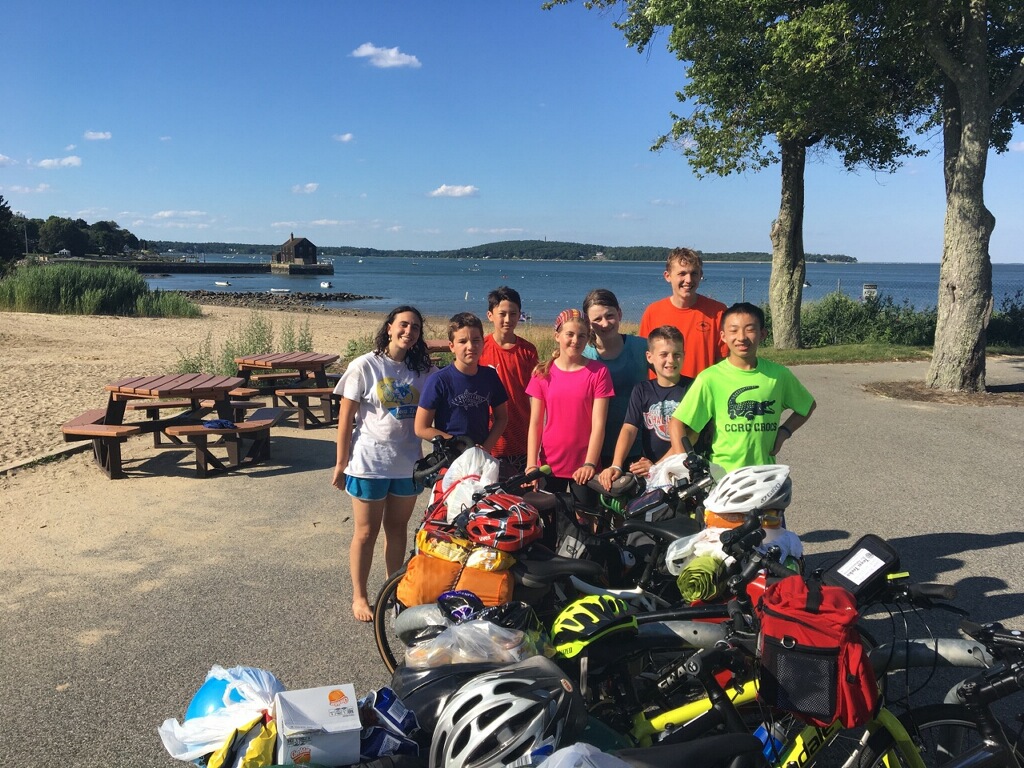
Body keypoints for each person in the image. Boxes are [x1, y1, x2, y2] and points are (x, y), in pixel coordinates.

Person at [331, 305, 434, 622]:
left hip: (407, 464)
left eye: (415, 328)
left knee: (397, 530)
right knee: (365, 533)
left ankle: (395, 590)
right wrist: (341, 463)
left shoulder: (422, 371)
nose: (408, 331)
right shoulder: (364, 366)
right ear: (389, 327)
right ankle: (359, 596)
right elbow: (346, 418)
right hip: (369, 464)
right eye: (403, 325)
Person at [669, 302, 815, 473]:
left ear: (763, 334)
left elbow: (807, 405)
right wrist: (685, 465)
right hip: (723, 476)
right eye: (734, 330)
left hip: (764, 474)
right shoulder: (710, 378)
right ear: (723, 336)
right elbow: (677, 423)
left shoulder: (778, 375)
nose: (742, 337)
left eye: (750, 329)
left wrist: (784, 432)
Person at [526, 309, 614, 494]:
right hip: (549, 465)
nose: (576, 340)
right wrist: (531, 465)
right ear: (557, 336)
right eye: (570, 334)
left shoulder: (599, 372)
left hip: (584, 465)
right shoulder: (542, 373)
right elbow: (535, 424)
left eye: (582, 335)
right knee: (550, 519)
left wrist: (590, 463)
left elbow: (599, 424)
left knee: (584, 519)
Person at [598, 325, 692, 489]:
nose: (670, 360)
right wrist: (617, 465)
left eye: (676, 354)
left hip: (685, 470)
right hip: (650, 469)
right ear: (649, 357)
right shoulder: (642, 390)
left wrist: (658, 467)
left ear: (684, 356)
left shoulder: (693, 388)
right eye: (663, 354)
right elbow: (629, 428)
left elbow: (691, 436)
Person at [415, 312, 509, 454]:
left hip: (479, 457)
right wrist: (457, 444)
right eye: (463, 341)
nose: (471, 346)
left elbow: (502, 417)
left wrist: (486, 448)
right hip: (448, 461)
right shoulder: (438, 380)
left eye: (476, 340)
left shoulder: (490, 376)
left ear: (483, 342)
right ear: (452, 346)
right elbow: (421, 428)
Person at [583, 288, 651, 469]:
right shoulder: (582, 355)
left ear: (619, 313)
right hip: (593, 450)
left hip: (638, 447)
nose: (605, 324)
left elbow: (669, 382)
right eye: (597, 319)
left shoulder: (642, 347)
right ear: (588, 323)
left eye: (609, 316)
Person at [639, 247, 727, 379]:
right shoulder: (653, 312)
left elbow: (724, 362)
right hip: (661, 396)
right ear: (668, 276)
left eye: (694, 273)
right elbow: (644, 359)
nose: (689, 280)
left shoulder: (717, 311)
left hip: (701, 394)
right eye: (682, 274)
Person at [479, 286, 538, 479]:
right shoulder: (481, 348)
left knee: (519, 500)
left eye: (513, 314)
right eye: (502, 314)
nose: (507, 319)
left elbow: (537, 395)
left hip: (520, 437)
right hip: (487, 439)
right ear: (490, 315)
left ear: (520, 315)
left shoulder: (528, 351)